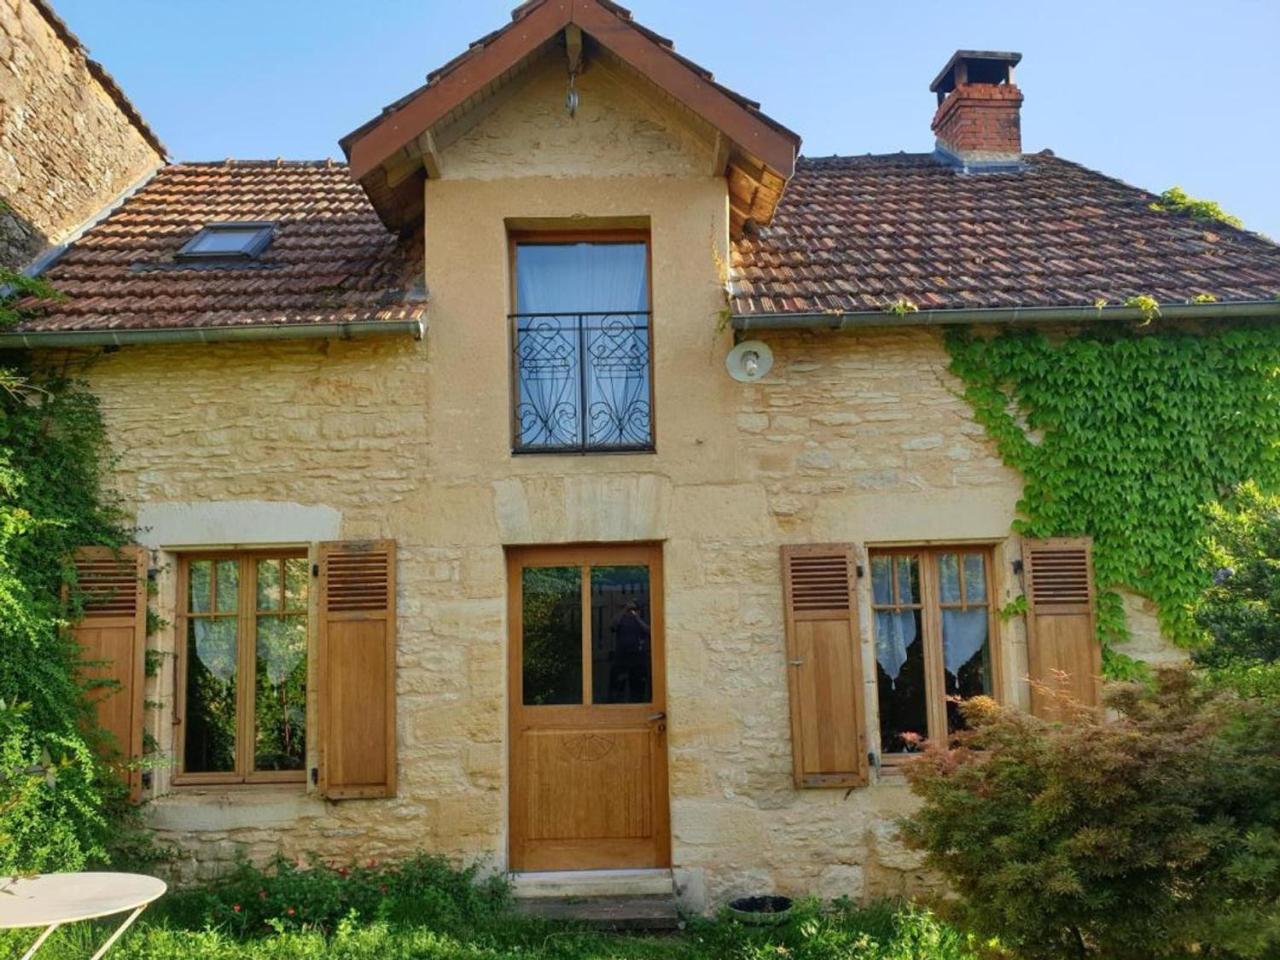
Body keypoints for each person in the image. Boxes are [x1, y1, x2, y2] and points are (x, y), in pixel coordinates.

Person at [609, 600, 651, 702]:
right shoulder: (621, 619)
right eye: (630, 609)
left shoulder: (641, 620)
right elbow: (612, 626)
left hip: (638, 659)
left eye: (634, 609)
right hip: (622, 658)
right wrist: (624, 610)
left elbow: (648, 630)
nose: (631, 611)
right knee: (618, 685)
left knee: (638, 687)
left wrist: (636, 617)